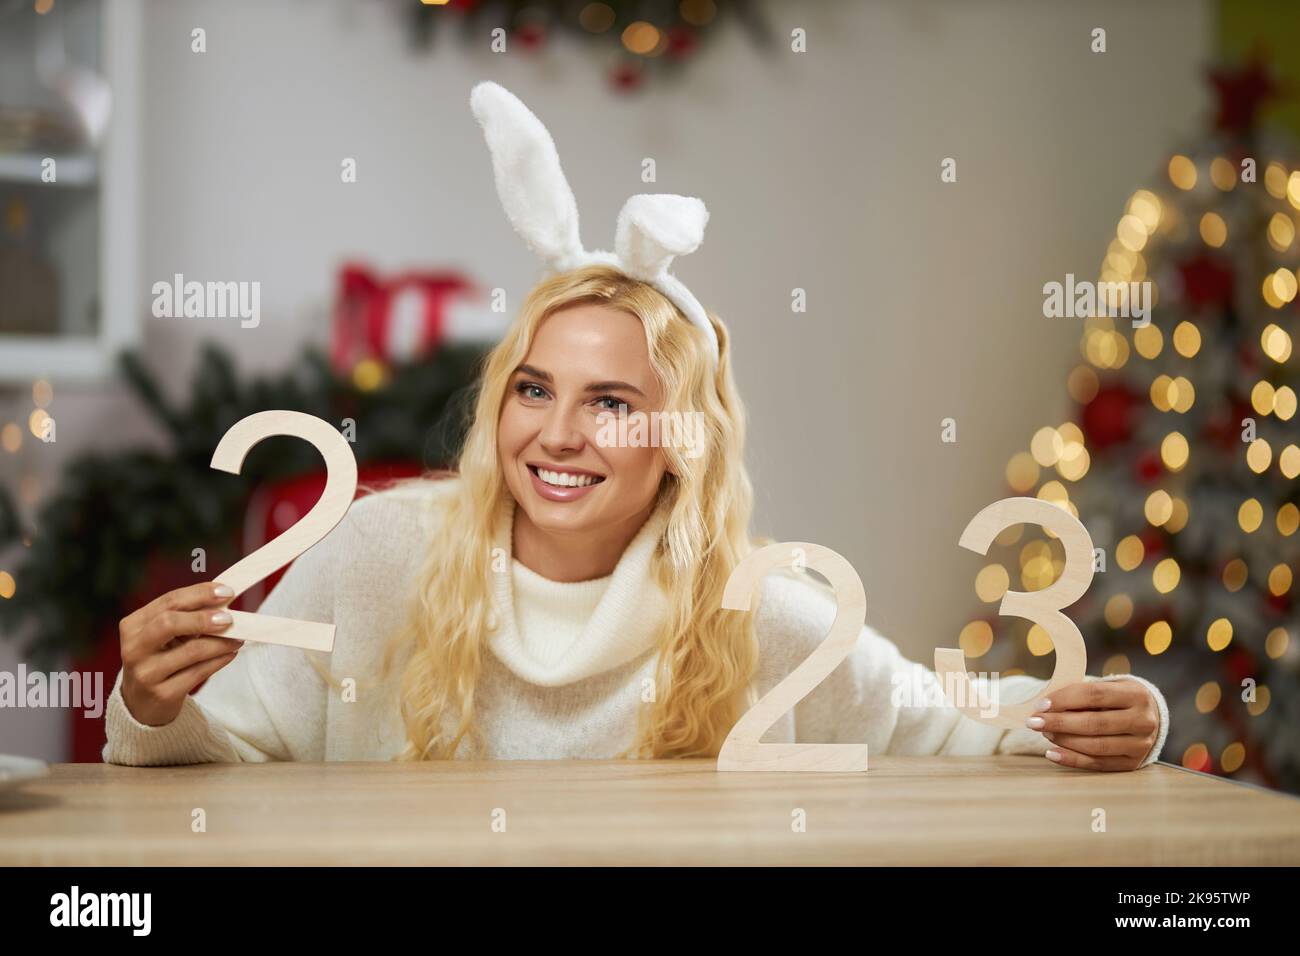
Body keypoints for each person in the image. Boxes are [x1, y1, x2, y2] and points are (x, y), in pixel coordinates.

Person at [103, 83, 1167, 770]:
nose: (556, 434)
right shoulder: (378, 557)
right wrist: (154, 708)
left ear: (680, 436)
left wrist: (1095, 717)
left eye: (611, 403)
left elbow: (945, 726)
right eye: (532, 388)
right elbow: (219, 756)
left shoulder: (761, 613)